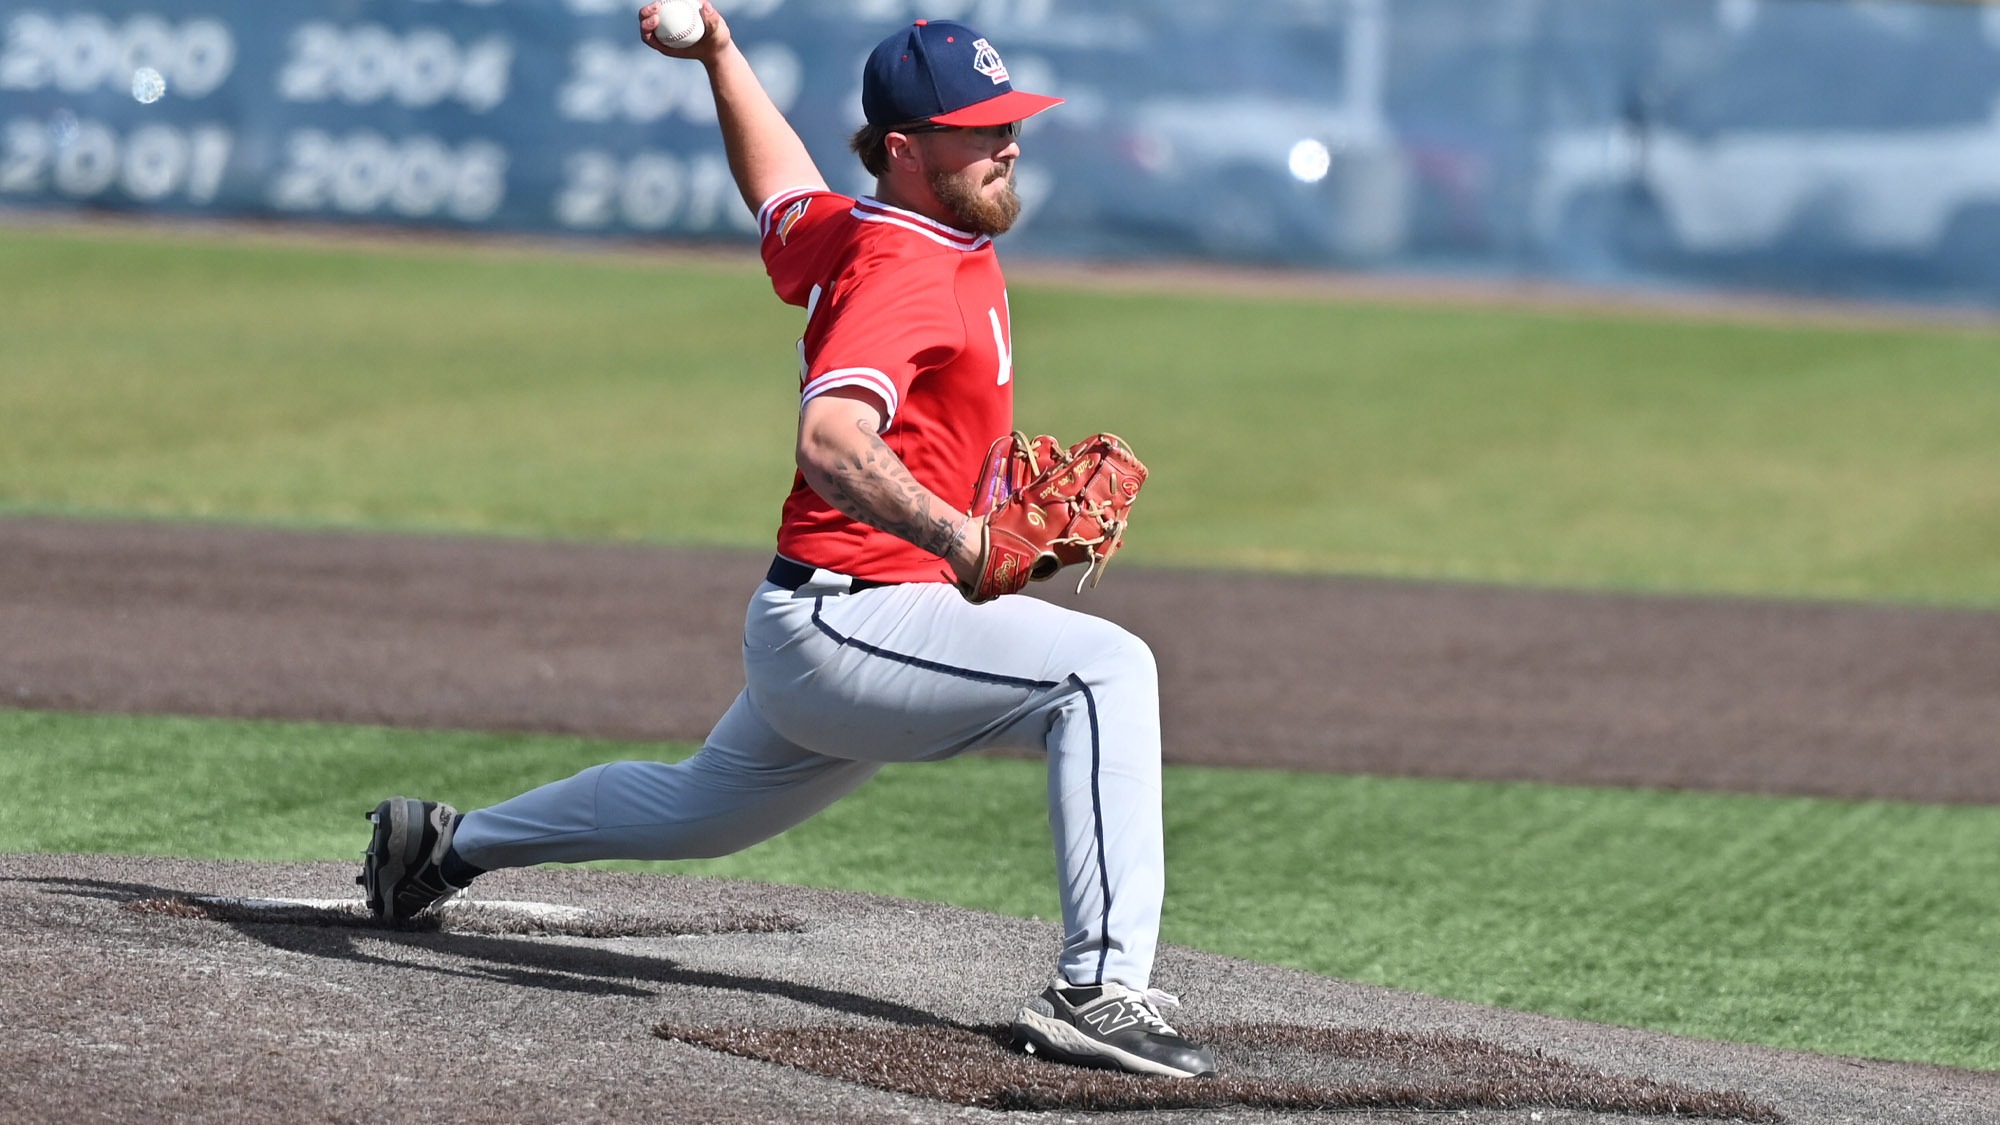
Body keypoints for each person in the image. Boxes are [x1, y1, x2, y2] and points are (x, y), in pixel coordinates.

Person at [359, 2, 1215, 1080]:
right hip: (848, 620)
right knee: (1104, 672)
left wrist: (719, 55)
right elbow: (828, 438)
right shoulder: (902, 269)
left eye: (1010, 121)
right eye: (978, 128)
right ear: (905, 150)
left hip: (835, 622)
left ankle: (440, 848)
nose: (1007, 142)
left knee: (699, 809)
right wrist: (961, 535)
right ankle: (1098, 987)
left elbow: (780, 193)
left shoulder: (868, 228)